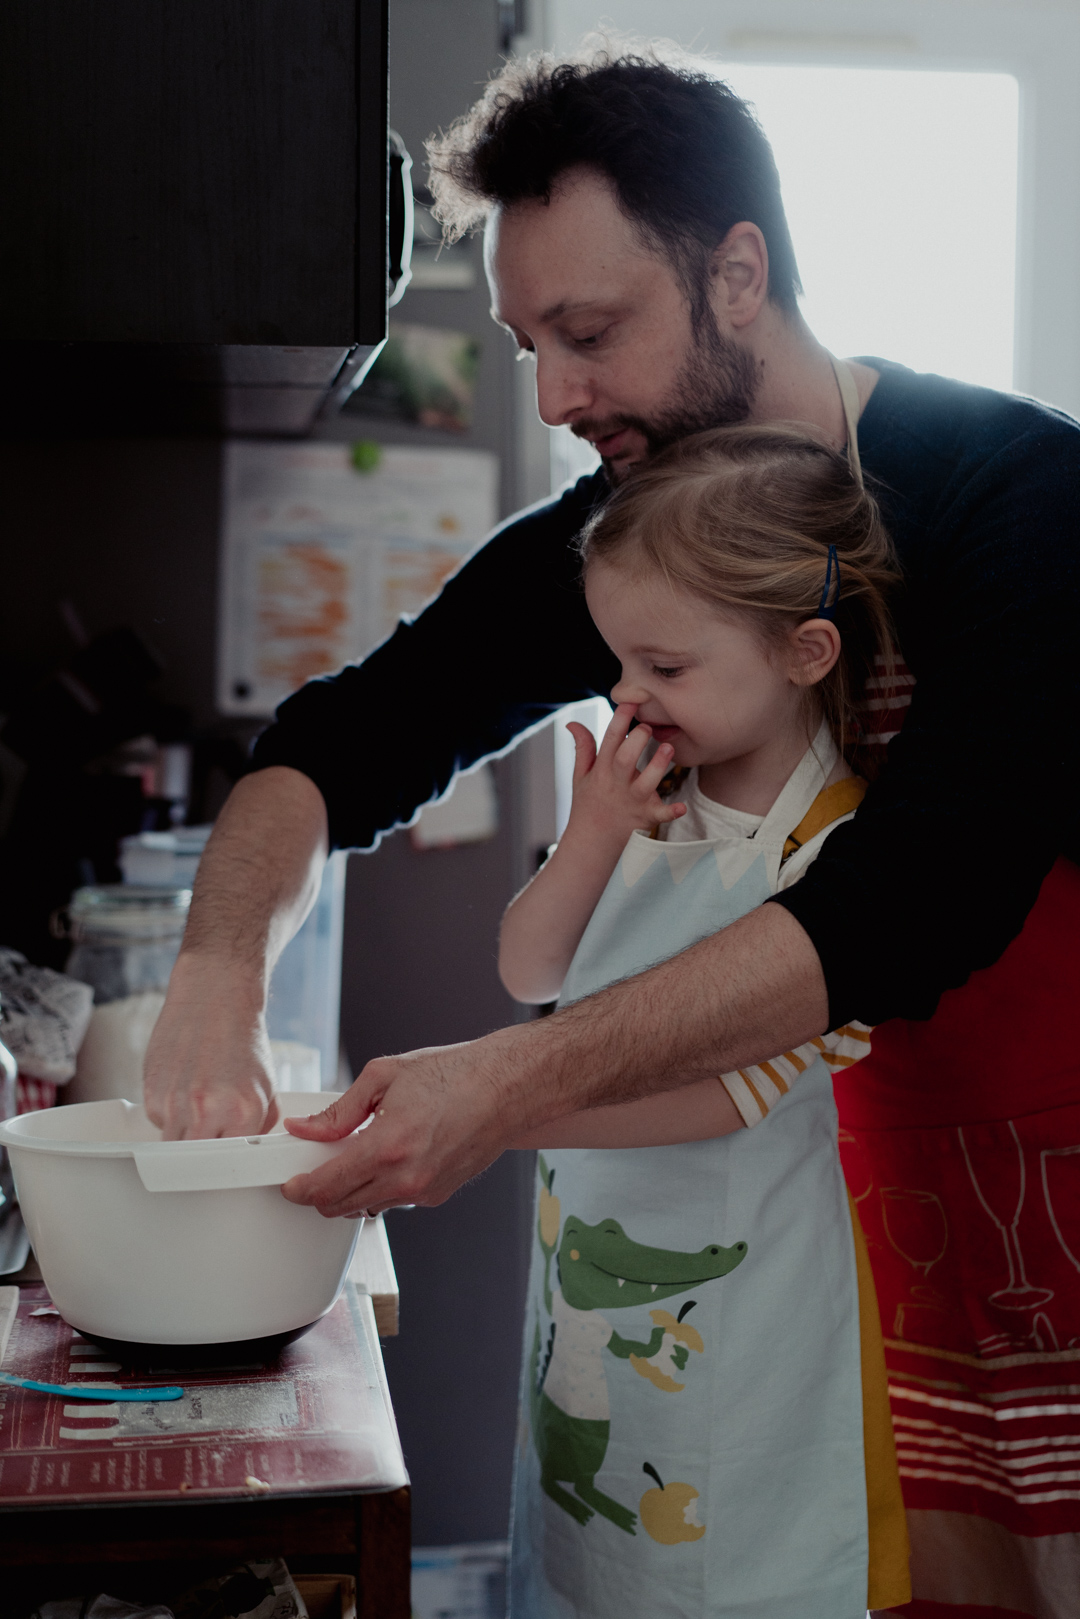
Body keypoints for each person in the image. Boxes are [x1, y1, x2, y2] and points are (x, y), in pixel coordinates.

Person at [143, 44, 1080, 1612]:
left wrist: (506, 1084)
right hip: (821, 1253)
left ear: (737, 275)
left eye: (589, 333)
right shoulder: (620, 546)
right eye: (531, 347)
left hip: (1039, 1212)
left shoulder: (1021, 498)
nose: (556, 394)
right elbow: (345, 740)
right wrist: (217, 966)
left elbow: (920, 895)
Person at [497, 419, 909, 1616]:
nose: (629, 692)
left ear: (804, 652)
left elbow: (731, 1092)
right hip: (590, 1255)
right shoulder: (645, 791)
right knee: (587, 1528)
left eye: (665, 666)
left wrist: (504, 1107)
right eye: (618, 660)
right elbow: (528, 967)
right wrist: (591, 832)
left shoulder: (843, 852)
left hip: (742, 1304)